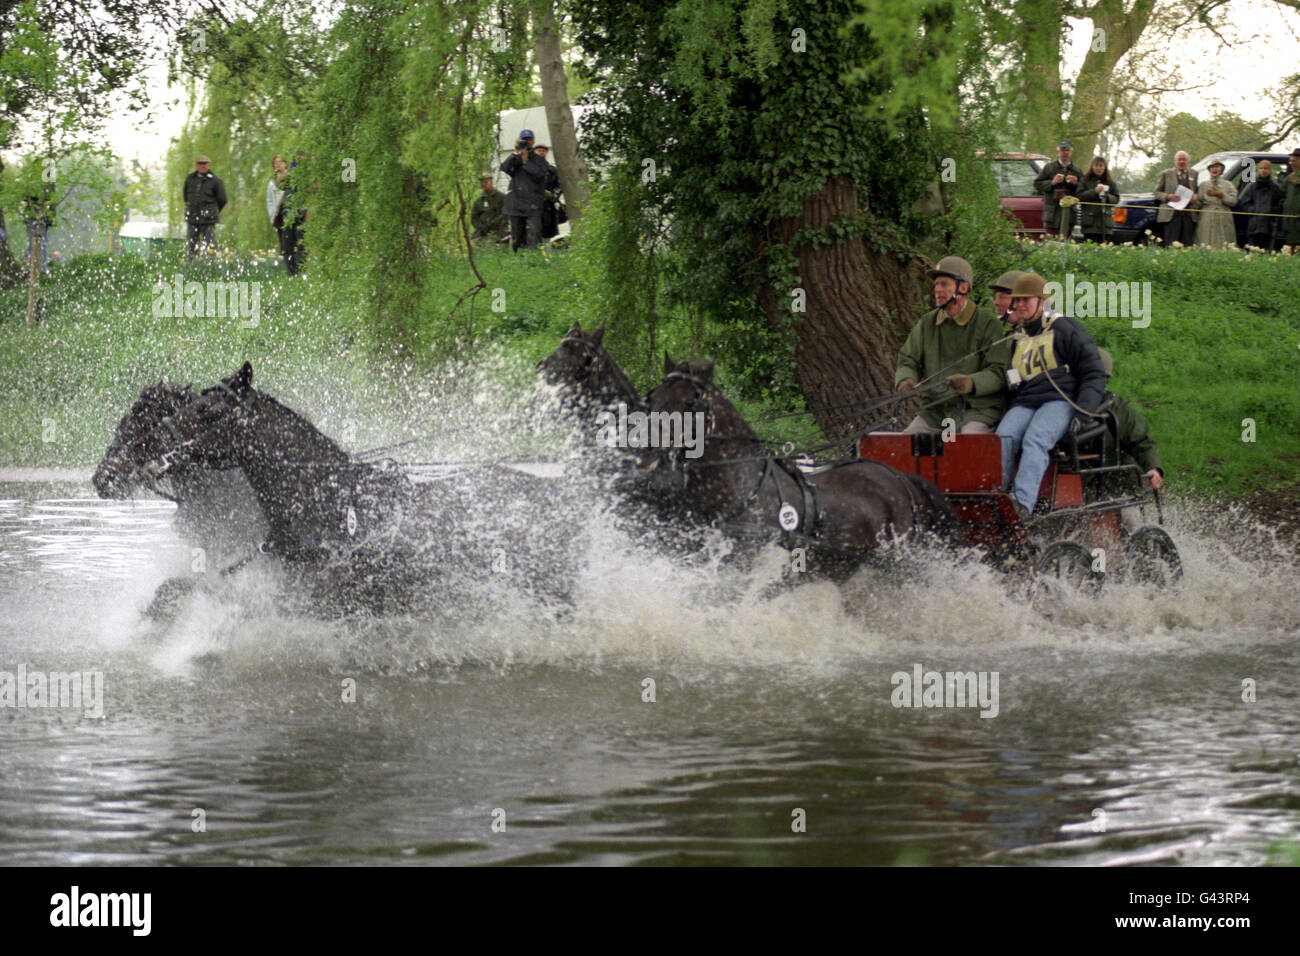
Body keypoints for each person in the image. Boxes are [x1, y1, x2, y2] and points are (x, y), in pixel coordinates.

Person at [995, 272, 1108, 520]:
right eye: (1017, 300)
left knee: (1035, 439)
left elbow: (1094, 373)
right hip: (1027, 401)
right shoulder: (1017, 338)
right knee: (1002, 438)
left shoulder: (1066, 328)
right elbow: (1012, 379)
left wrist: (1084, 412)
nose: (1020, 305)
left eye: (1027, 299)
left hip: (1060, 400)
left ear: (1043, 301)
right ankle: (996, 498)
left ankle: (1021, 505)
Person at [894, 255, 1011, 435]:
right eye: (936, 285)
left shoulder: (988, 324)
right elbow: (907, 359)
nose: (937, 289)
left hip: (976, 411)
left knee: (967, 444)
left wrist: (971, 383)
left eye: (944, 284)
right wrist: (905, 379)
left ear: (963, 287)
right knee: (906, 446)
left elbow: (998, 373)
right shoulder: (927, 323)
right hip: (936, 412)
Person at [499, 128, 548, 251]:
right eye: (524, 140)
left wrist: (526, 162)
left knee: (533, 234)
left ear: (533, 141)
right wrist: (516, 151)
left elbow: (539, 174)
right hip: (516, 203)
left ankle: (533, 260)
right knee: (517, 237)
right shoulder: (516, 158)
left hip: (532, 204)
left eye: (529, 139)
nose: (526, 142)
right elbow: (504, 168)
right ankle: (518, 261)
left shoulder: (539, 160)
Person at [1034, 140, 1084, 238]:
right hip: (1052, 213)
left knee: (1066, 243)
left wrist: (1076, 183)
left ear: (1071, 152)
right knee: (1050, 243)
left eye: (1068, 151)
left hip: (1068, 214)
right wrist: (1052, 182)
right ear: (1058, 152)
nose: (1065, 153)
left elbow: (1083, 191)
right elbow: (1037, 184)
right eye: (1062, 150)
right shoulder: (1049, 167)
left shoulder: (1077, 171)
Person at [183, 154, 228, 258]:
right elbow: (185, 197)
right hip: (193, 219)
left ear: (208, 165)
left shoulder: (215, 181)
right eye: (200, 164)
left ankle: (209, 269)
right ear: (196, 165)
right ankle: (191, 267)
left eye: (205, 164)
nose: (203, 166)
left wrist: (213, 211)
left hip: (208, 220)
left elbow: (223, 199)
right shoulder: (190, 179)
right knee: (191, 247)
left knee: (209, 247)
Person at [1153, 151, 1199, 247]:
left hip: (1188, 215)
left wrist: (1196, 196)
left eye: (1184, 159)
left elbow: (1197, 191)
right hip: (1171, 216)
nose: (1182, 162)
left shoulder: (1194, 174)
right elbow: (1156, 193)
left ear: (1188, 161)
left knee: (1187, 245)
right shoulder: (1166, 174)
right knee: (1171, 245)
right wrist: (1168, 196)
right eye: (1179, 159)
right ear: (1175, 161)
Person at [1238, 159, 1284, 252]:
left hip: (1269, 226)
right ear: (1258, 170)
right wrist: (1252, 211)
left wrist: (1273, 211)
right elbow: (1243, 202)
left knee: (1267, 253)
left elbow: (1281, 202)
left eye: (1266, 168)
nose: (1263, 170)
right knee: (1253, 252)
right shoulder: (1251, 186)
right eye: (1261, 168)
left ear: (1270, 170)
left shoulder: (1276, 187)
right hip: (1254, 225)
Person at [1195, 158, 1238, 249]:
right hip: (1206, 216)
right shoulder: (1203, 185)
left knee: (1224, 243)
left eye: (1217, 167)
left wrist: (1221, 195)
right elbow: (1198, 203)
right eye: (1212, 167)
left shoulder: (1228, 185)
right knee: (1205, 241)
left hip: (1223, 216)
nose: (1214, 169)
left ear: (1221, 169)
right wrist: (1193, 200)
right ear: (1209, 169)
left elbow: (1233, 201)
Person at [1077, 156, 1118, 243]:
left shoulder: (1110, 182)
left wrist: (1107, 196)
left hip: (1105, 224)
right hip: (1089, 225)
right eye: (1096, 165)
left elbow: (1116, 199)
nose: (1099, 168)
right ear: (1092, 167)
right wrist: (1094, 191)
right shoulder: (1084, 181)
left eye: (1101, 165)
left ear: (1105, 168)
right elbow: (1079, 196)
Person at [277, 159, 308, 275]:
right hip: (288, 212)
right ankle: (292, 273)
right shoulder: (291, 168)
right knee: (287, 246)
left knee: (302, 244)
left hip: (301, 211)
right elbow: (279, 183)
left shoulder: (309, 171)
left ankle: (301, 272)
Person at [533, 144, 564, 241]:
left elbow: (559, 186)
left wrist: (552, 194)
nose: (541, 153)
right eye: (539, 150)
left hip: (548, 207)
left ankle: (549, 255)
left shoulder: (552, 170)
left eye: (543, 151)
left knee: (547, 236)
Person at [470, 174, 508, 244]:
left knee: (492, 243)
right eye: (481, 182)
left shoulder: (501, 197)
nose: (483, 184)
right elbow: (474, 218)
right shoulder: (479, 201)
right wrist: (481, 227)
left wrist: (492, 224)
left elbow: (505, 214)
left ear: (491, 182)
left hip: (498, 231)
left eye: (486, 182)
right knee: (474, 244)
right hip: (482, 232)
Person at [22, 195, 54, 275]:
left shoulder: (45, 187)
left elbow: (51, 194)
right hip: (35, 212)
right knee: (34, 243)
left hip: (41, 212)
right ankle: (35, 268)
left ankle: (41, 268)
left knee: (41, 243)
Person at [1283, 148, 1300, 254]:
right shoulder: (1289, 179)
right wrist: (1284, 204)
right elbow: (1281, 194)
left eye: (1294, 160)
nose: (1292, 163)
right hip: (1290, 223)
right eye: (1291, 161)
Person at [267, 153, 288, 231]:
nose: (277, 164)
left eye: (279, 161)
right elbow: (269, 201)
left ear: (285, 164)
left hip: (289, 214)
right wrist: (273, 216)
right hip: (279, 217)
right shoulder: (271, 183)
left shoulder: (291, 176)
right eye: (275, 163)